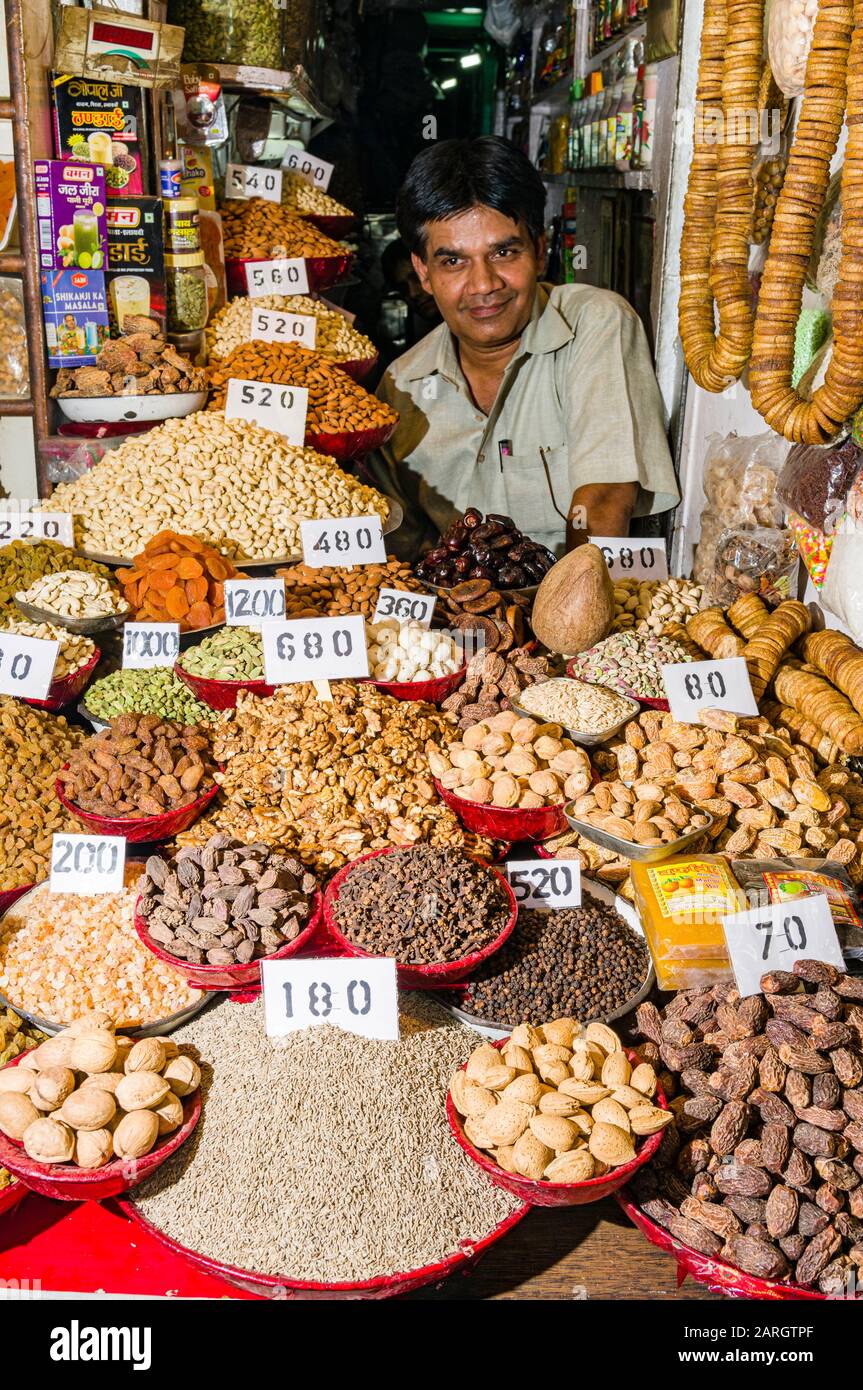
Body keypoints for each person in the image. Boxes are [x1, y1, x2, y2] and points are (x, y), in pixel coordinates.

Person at [368, 136, 679, 559]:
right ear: (423, 272)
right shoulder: (402, 386)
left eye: (503, 252)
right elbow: (400, 542)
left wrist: (566, 613)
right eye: (453, 261)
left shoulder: (594, 322)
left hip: (578, 599)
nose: (484, 285)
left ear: (539, 248)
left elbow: (605, 495)